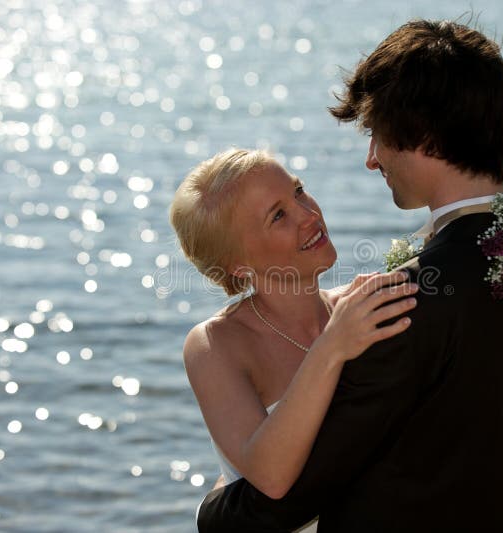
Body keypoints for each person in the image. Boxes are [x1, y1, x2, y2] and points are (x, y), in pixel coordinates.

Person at [195, 19, 503, 532]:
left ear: (421, 136)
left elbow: (284, 502)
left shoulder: (401, 306)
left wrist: (212, 513)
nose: (371, 158)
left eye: (376, 134)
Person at [170, 148, 419, 532]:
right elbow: (270, 476)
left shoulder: (355, 310)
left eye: (299, 191)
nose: (309, 214)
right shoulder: (215, 345)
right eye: (279, 215)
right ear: (238, 262)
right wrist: (333, 346)